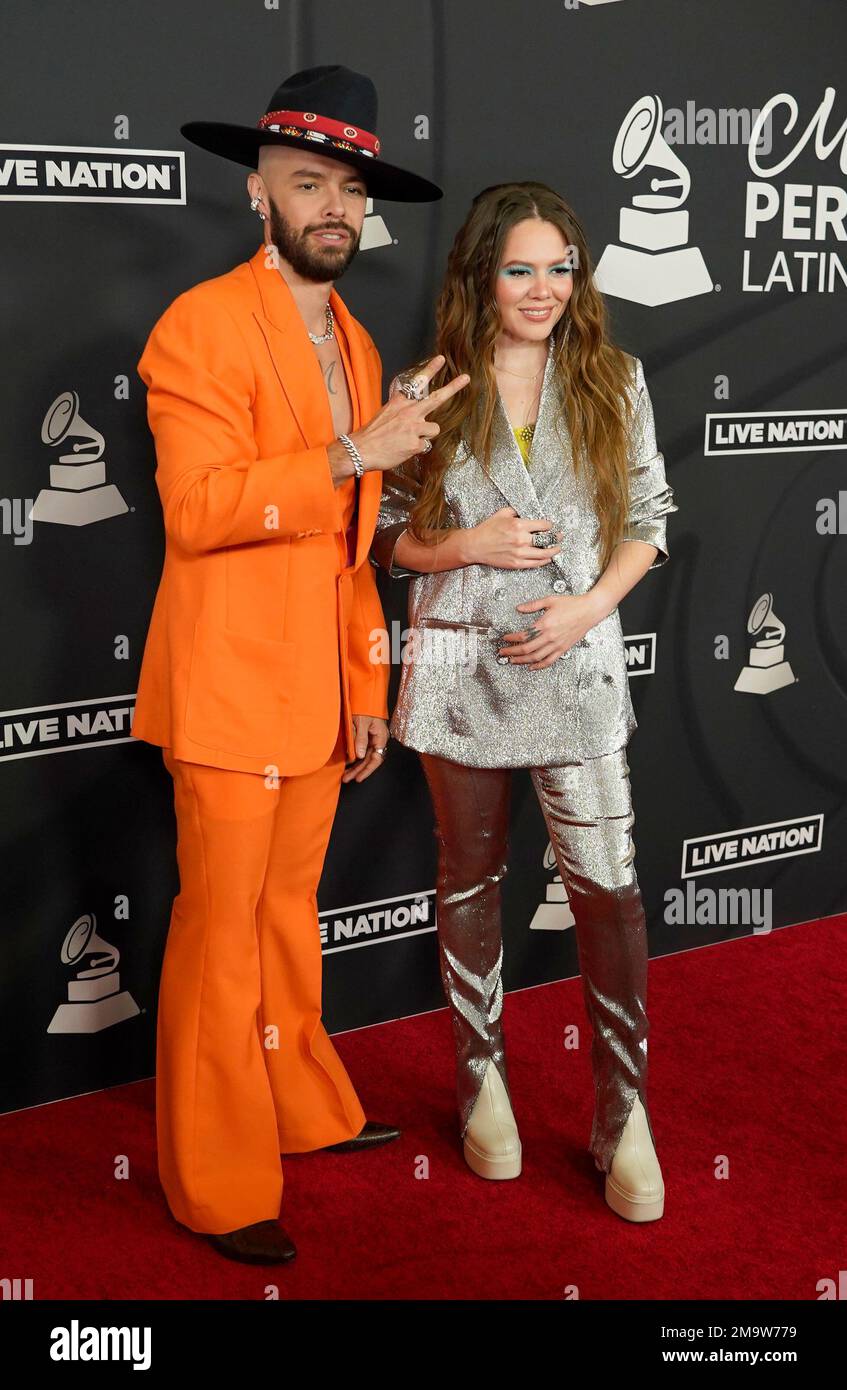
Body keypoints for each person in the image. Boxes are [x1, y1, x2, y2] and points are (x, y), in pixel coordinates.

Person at [132, 64, 469, 1264]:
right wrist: (344, 448)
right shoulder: (200, 324)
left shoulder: (364, 341)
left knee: (284, 919)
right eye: (307, 182)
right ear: (257, 193)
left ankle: (300, 1107)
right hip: (227, 690)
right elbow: (198, 508)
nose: (333, 206)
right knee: (221, 933)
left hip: (320, 696)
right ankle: (217, 1182)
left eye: (348, 189)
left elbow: (349, 552)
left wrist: (364, 689)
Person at [369, 182, 678, 1223]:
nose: (542, 289)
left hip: (576, 665)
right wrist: (469, 545)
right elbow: (391, 539)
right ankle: (480, 1083)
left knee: (609, 889)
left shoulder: (613, 378)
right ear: (479, 275)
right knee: (468, 880)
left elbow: (648, 517)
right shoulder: (427, 386)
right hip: (459, 671)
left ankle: (621, 1112)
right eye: (519, 268)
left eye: (560, 268)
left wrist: (586, 608)